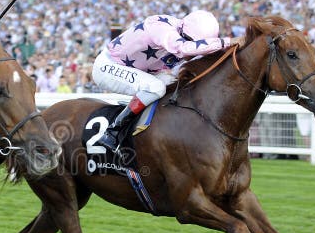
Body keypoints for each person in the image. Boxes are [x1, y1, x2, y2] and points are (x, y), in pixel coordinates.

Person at [92, 10, 234, 154]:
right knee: (156, 87)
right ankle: (113, 131)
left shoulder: (186, 33)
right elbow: (184, 48)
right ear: (183, 31)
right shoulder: (160, 27)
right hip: (108, 66)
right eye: (191, 41)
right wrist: (227, 41)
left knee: (178, 82)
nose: (193, 55)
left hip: (139, 71)